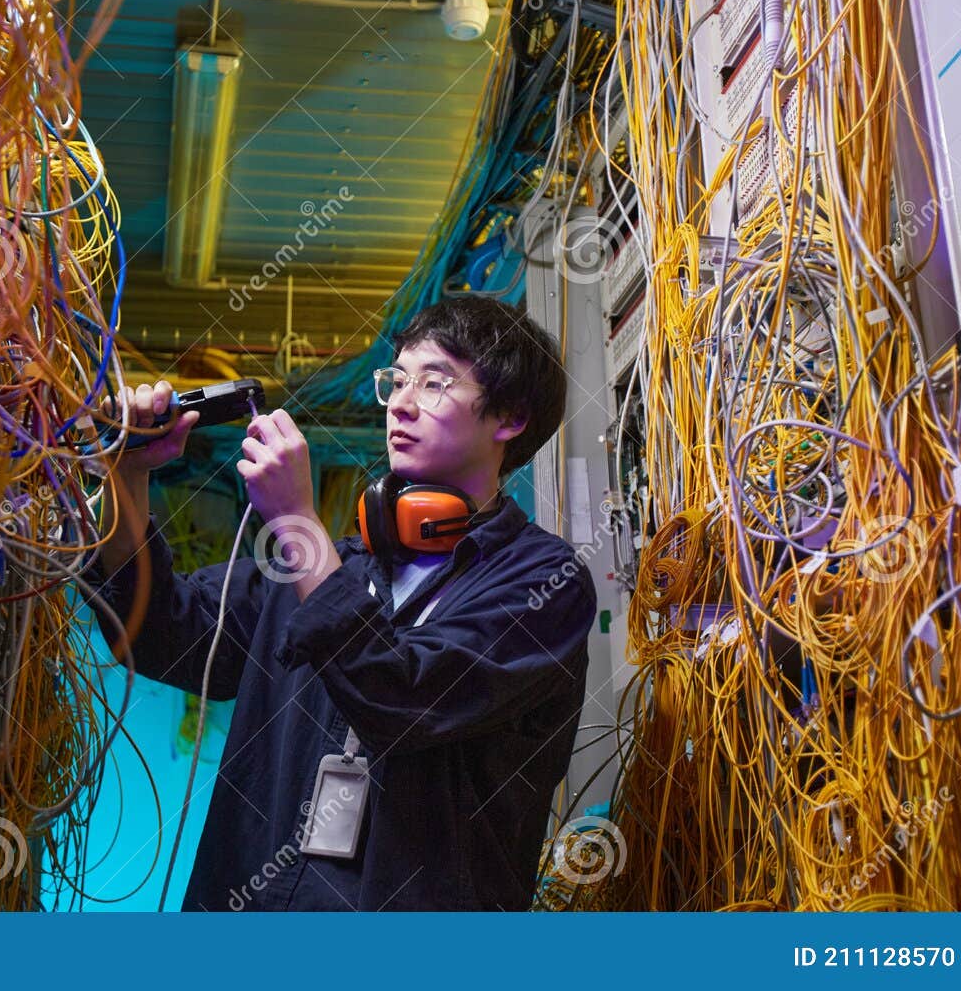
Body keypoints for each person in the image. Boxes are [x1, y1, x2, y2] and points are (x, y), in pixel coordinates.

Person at [82, 294, 598, 910]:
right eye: (395, 380)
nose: (400, 404)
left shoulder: (544, 584)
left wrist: (298, 521)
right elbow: (157, 631)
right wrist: (126, 476)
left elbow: (399, 700)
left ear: (510, 416)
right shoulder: (338, 567)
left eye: (434, 383)